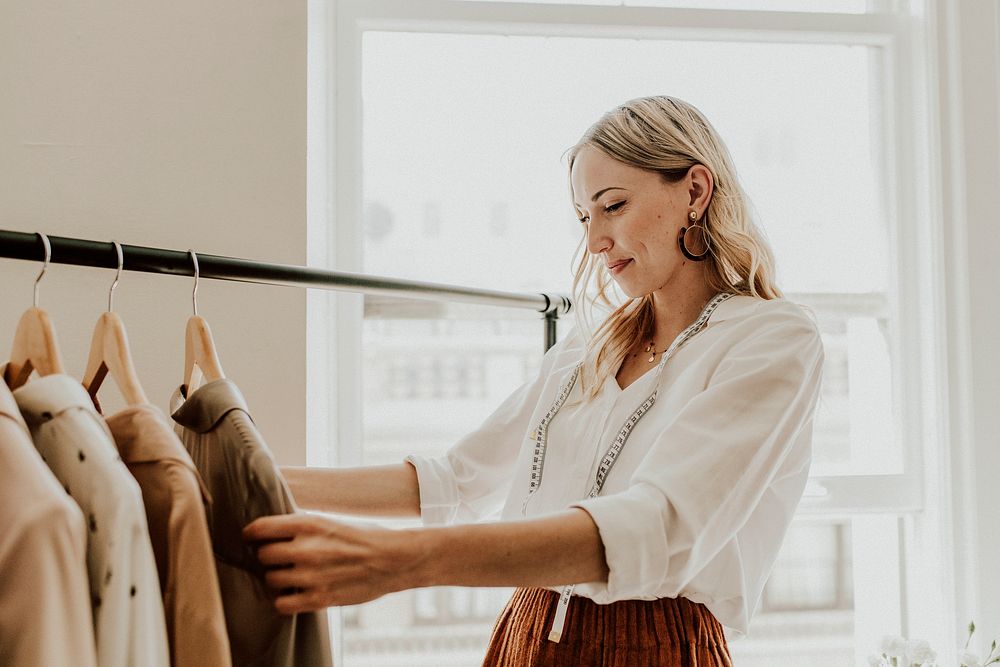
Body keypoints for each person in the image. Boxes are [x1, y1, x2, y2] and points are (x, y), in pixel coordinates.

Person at [242, 95, 825, 666]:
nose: (594, 241)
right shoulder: (591, 345)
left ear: (695, 191)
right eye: (585, 217)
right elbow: (456, 481)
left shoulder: (773, 339)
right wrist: (251, 481)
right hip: (523, 634)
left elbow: (660, 527)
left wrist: (402, 560)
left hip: (656, 648)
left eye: (614, 205)